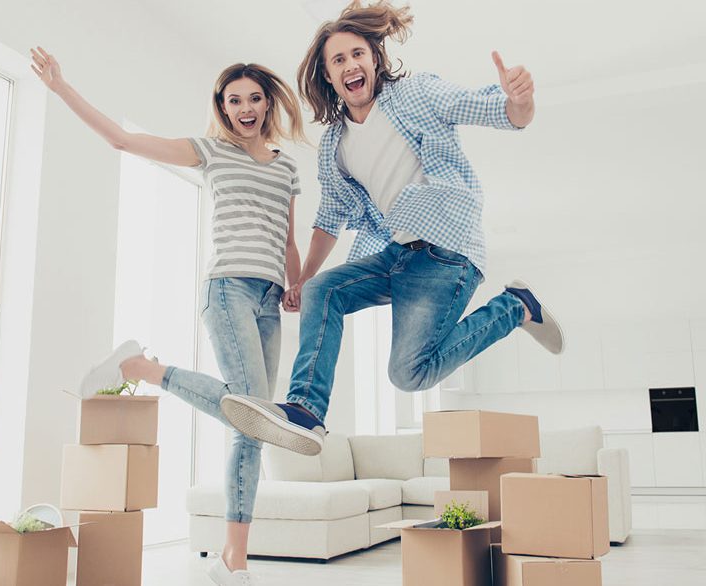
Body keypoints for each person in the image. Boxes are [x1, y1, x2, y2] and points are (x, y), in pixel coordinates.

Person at [219, 0, 565, 457]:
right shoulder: (335, 146)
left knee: (408, 374)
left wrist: (520, 101)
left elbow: (496, 111)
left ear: (375, 59)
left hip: (447, 253)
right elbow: (329, 221)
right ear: (328, 76)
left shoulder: (416, 95)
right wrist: (301, 279)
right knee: (325, 290)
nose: (350, 65)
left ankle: (513, 308)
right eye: (337, 60)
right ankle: (305, 410)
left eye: (357, 54)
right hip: (395, 255)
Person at [30, 47, 305, 586]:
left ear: (267, 102)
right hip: (226, 288)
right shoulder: (210, 151)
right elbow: (124, 141)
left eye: (253, 98)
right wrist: (61, 87)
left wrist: (294, 283)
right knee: (253, 412)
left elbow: (288, 238)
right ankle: (141, 368)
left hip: (269, 299)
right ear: (222, 110)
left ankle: (234, 559)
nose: (245, 108)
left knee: (252, 428)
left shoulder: (287, 167)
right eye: (234, 101)